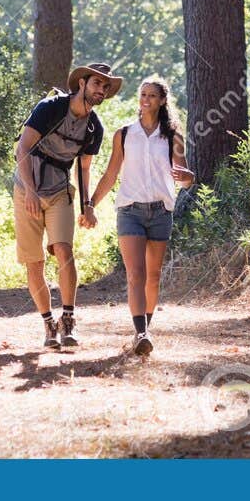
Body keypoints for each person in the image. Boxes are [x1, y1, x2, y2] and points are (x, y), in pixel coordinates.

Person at [82, 76, 195, 355]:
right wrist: (91, 203)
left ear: (162, 101)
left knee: (153, 276)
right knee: (136, 274)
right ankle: (141, 332)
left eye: (152, 95)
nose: (146, 99)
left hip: (160, 211)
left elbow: (184, 177)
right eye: (143, 94)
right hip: (130, 210)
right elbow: (111, 174)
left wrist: (189, 178)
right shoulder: (124, 134)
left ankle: (146, 329)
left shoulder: (173, 138)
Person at [13, 61, 121, 350]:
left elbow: (84, 168)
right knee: (35, 261)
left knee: (64, 250)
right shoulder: (50, 107)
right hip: (28, 187)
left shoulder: (94, 127)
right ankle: (48, 324)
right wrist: (32, 193)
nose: (102, 89)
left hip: (60, 189)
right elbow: (22, 148)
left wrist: (88, 205)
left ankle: (68, 320)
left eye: (106, 86)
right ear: (82, 83)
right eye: (97, 83)